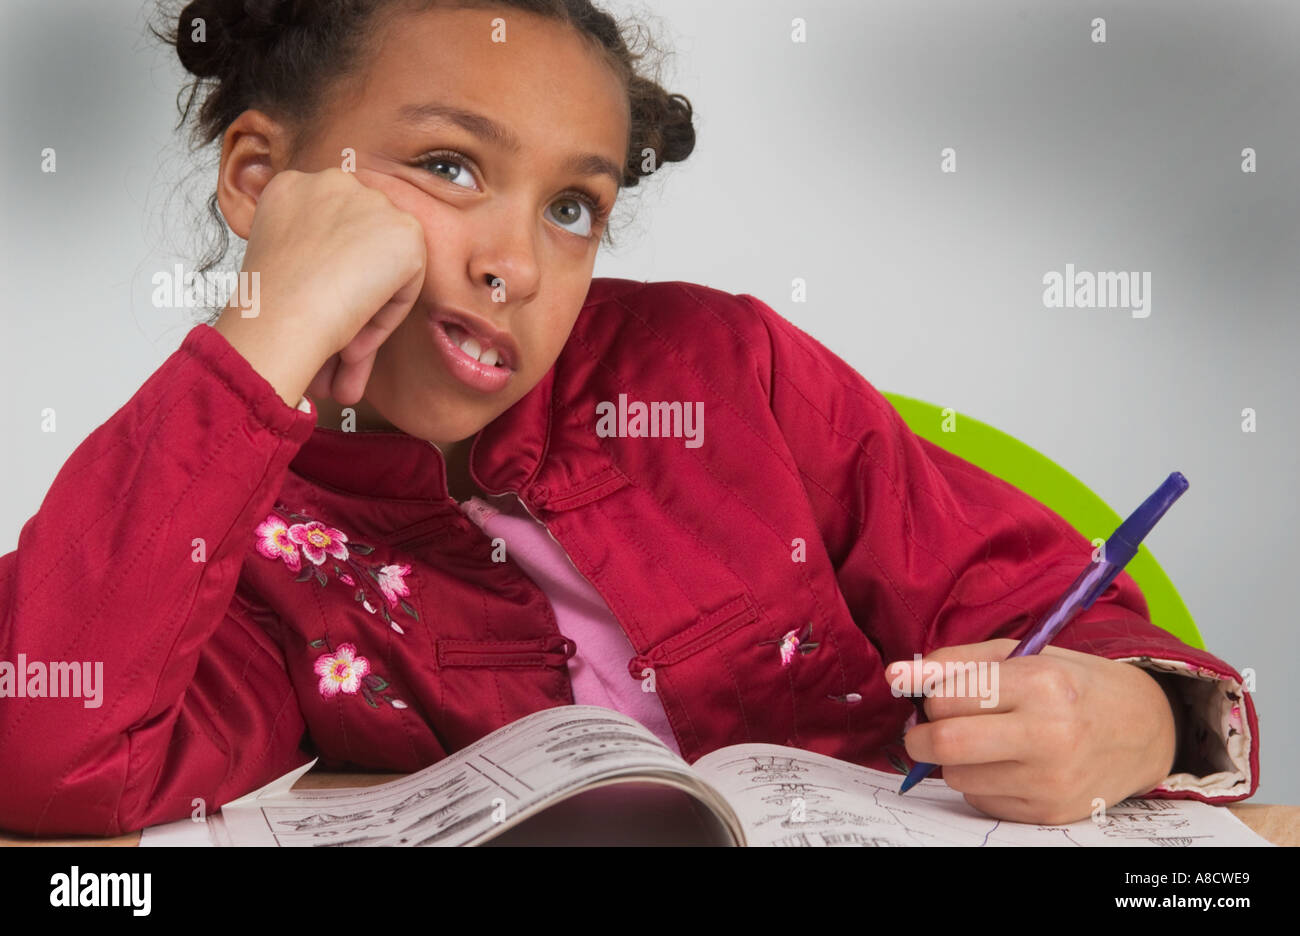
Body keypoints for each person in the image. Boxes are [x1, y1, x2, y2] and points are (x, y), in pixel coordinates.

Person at [0, 0, 1256, 837]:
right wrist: (267, 331)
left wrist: (1135, 717)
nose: (515, 264)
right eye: (448, 168)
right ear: (264, 183)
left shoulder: (729, 369)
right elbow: (49, 748)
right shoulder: (238, 534)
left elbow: (1057, 610)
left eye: (571, 206)